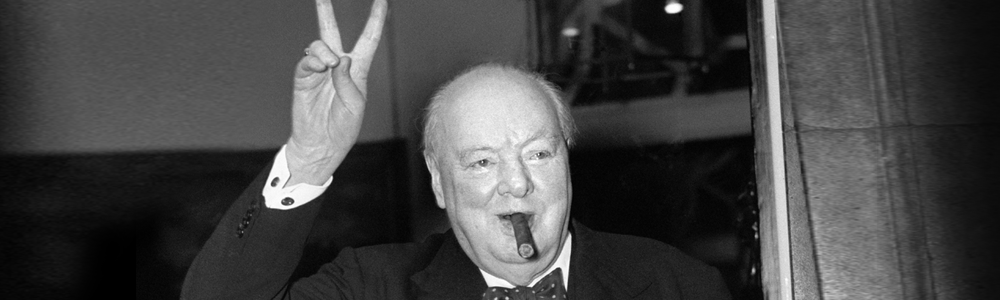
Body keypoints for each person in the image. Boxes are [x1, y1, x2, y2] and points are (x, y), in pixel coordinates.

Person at [181, 1, 730, 299]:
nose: (517, 184)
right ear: (439, 183)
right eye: (482, 162)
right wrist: (310, 158)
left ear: (567, 157)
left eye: (539, 154)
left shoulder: (678, 285)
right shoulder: (371, 287)